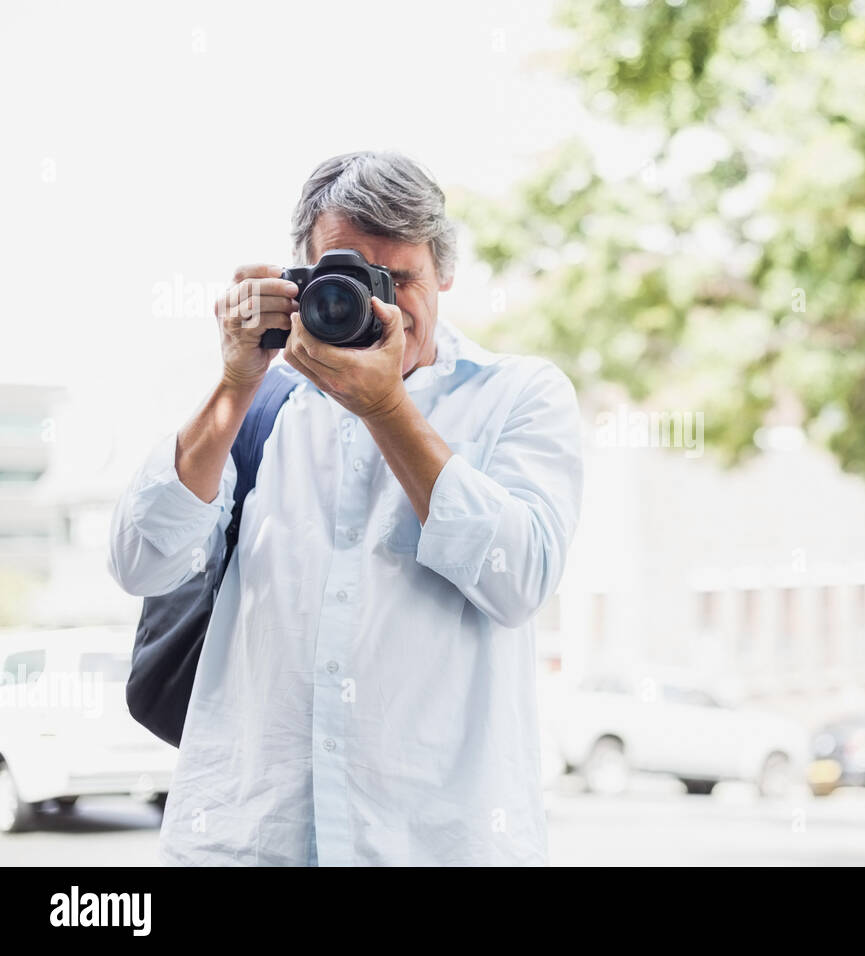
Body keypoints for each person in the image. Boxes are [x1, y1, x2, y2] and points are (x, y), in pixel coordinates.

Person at [108, 151, 583, 865]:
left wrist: (385, 410)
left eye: (401, 279)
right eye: (349, 276)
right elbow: (141, 561)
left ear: (444, 273)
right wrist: (236, 384)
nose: (379, 302)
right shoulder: (263, 403)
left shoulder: (519, 395)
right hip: (247, 841)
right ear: (300, 276)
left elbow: (519, 578)